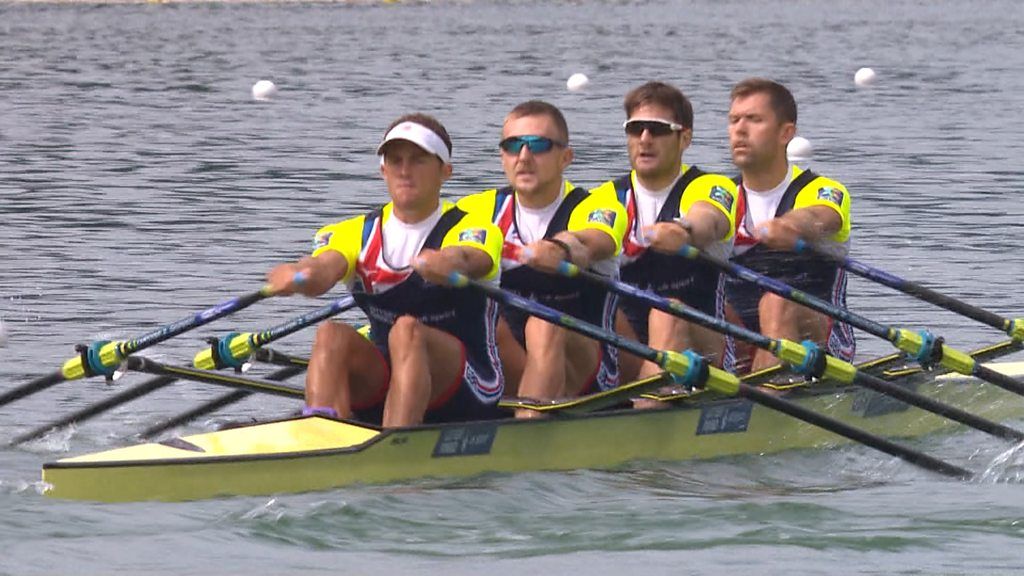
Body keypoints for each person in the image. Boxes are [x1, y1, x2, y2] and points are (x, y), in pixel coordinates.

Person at [266, 113, 505, 427]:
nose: (404, 171)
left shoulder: (474, 228)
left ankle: (395, 443)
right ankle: (321, 434)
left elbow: (469, 257)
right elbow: (323, 269)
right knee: (331, 334)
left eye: (419, 160)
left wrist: (445, 263)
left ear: (445, 172)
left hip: (471, 384)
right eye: (395, 160)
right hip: (389, 375)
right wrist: (299, 275)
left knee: (407, 330)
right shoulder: (353, 232)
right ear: (383, 170)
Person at [457, 100, 627, 417]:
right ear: (502, 157)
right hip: (509, 357)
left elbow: (592, 241)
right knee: (477, 325)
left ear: (566, 157)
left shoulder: (596, 207)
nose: (524, 157)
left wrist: (563, 250)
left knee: (544, 324)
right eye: (513, 146)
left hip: (589, 373)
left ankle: (527, 431)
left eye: (538, 146)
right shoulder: (476, 211)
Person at [592, 81, 738, 383]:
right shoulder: (603, 198)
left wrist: (683, 232)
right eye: (635, 129)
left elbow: (707, 220)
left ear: (684, 138)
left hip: (704, 351)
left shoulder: (711, 187)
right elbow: (586, 237)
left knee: (666, 312)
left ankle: (646, 409)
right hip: (631, 344)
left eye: (657, 129)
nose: (644, 139)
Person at [724, 78, 856, 372]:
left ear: (786, 132)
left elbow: (818, 217)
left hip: (821, 344)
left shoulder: (821, 190)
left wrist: (789, 227)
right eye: (734, 120)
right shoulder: (718, 197)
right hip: (741, 341)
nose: (740, 130)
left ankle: (763, 400)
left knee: (776, 302)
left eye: (754, 120)